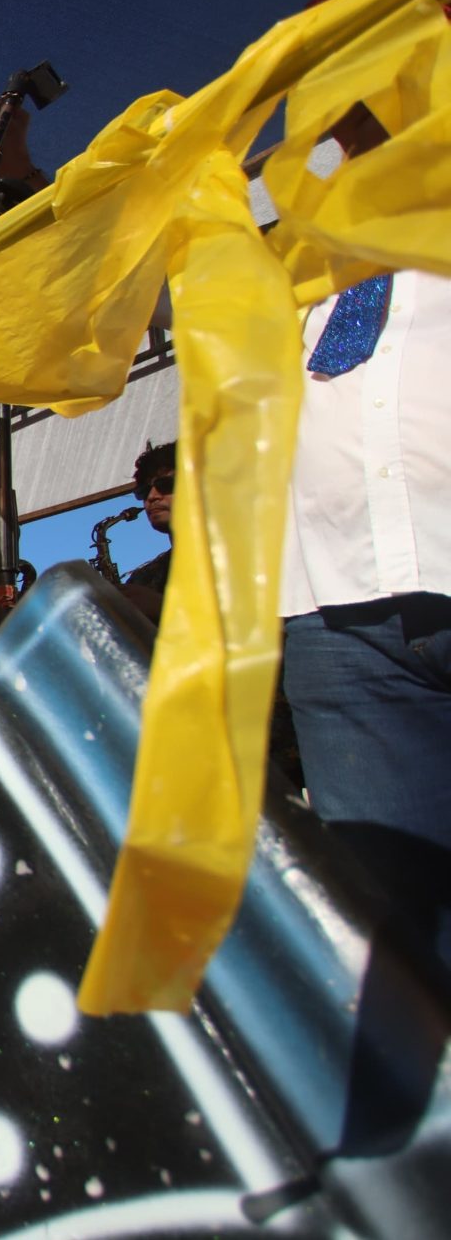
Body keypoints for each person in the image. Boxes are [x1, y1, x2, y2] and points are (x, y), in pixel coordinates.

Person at [278, 104, 451, 971]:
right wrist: (17, 172)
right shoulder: (290, 250)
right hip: (334, 618)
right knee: (391, 928)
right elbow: (112, 268)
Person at [120, 441, 176, 620]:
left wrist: (164, 609)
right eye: (144, 491)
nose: (151, 497)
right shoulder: (143, 578)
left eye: (165, 485)